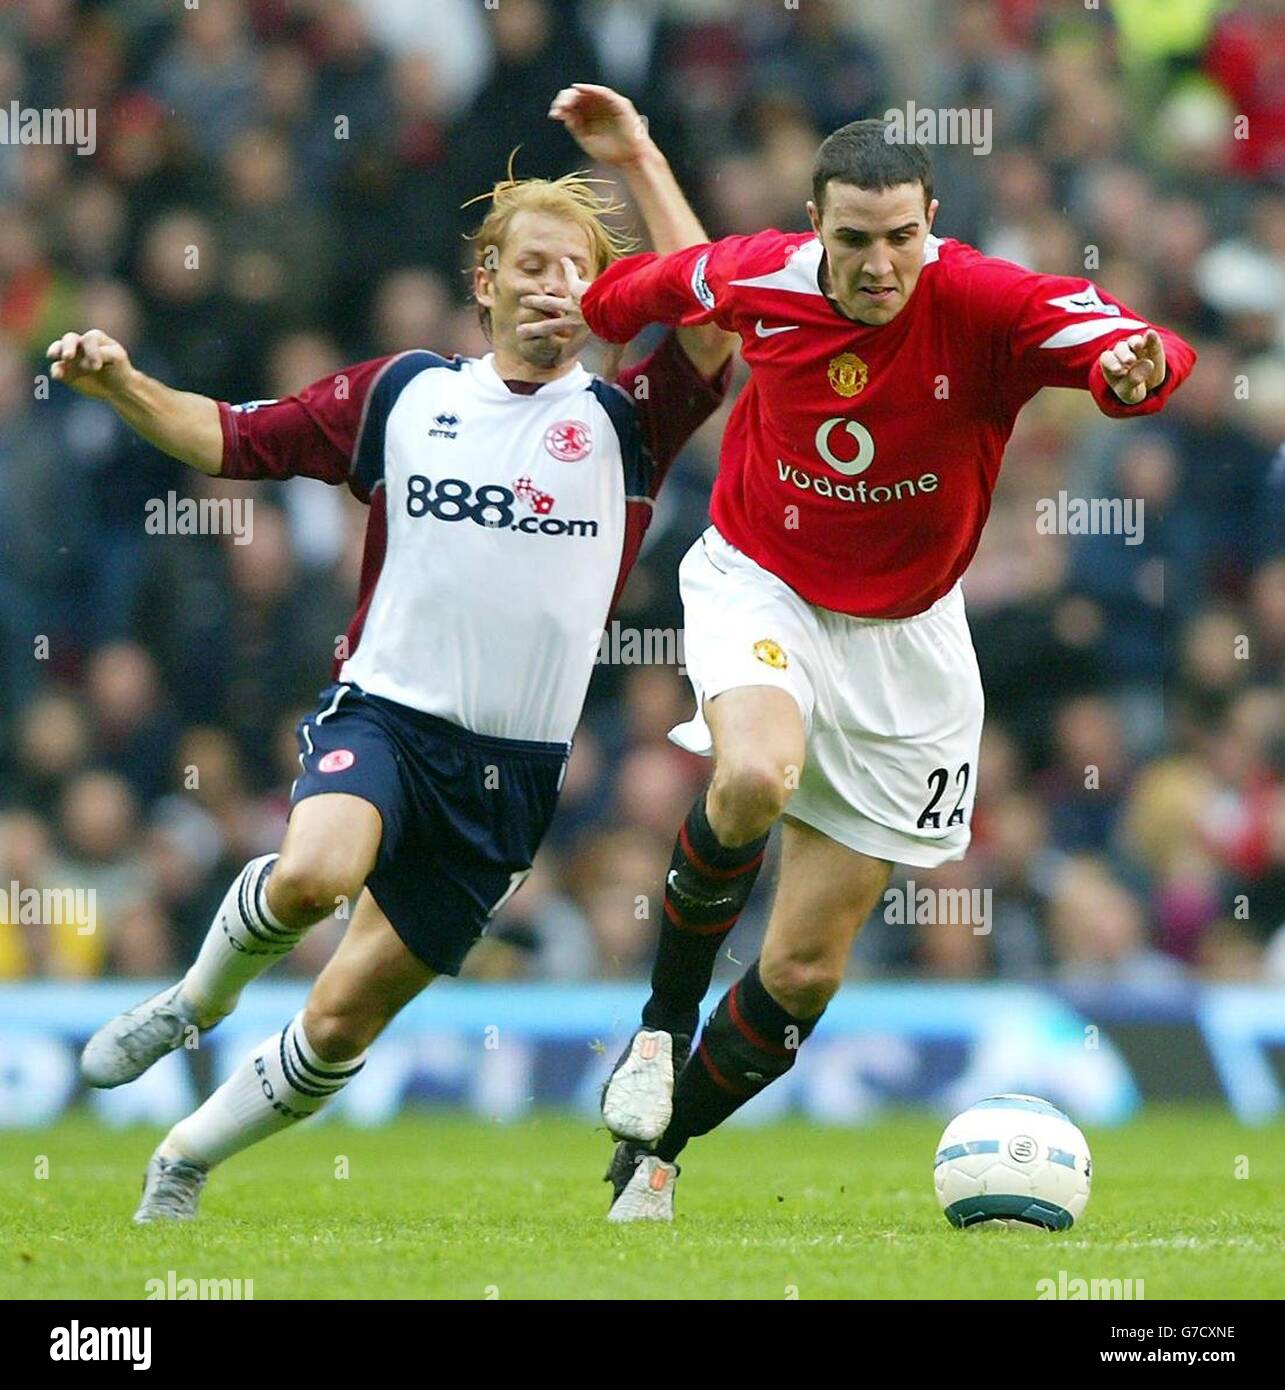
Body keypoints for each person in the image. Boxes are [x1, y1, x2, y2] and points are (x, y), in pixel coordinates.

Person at [60, 84, 734, 1223]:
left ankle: (179, 1157)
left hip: (509, 778)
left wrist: (642, 153)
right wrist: (122, 380)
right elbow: (227, 436)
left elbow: (712, 311)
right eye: (529, 263)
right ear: (487, 281)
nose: (551, 285)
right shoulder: (406, 395)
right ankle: (190, 999)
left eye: (575, 267)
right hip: (384, 715)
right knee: (316, 872)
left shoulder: (628, 423)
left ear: (600, 291)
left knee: (337, 1021)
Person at [576, 118, 1196, 1221]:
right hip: (760, 583)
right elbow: (648, 289)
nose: (877, 266)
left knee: (805, 969)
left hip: (908, 641)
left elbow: (1131, 346)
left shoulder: (986, 301)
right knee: (753, 776)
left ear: (931, 228)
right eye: (853, 240)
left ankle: (659, 1150)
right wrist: (575, 315)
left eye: (899, 238)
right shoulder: (762, 272)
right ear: (814, 227)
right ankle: (659, 1033)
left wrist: (1132, 373)